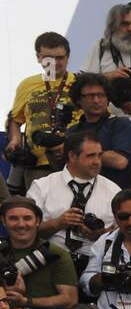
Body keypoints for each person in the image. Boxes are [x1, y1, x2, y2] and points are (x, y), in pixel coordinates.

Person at [28, 131, 119, 272]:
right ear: (72, 156)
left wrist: (102, 236)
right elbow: (26, 230)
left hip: (95, 265)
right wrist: (57, 223)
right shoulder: (42, 186)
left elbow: (124, 234)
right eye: (90, 156)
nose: (97, 161)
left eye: (100, 155)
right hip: (50, 263)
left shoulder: (114, 191)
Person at [6, 32, 80, 191]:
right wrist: (14, 140)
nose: (54, 63)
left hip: (74, 162)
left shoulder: (80, 83)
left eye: (60, 57)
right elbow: (15, 119)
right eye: (48, 58)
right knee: (38, 211)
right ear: (38, 57)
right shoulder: (26, 84)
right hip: (37, 165)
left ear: (68, 57)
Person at [0, 197, 78, 309]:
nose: (21, 224)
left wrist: (25, 301)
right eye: (13, 218)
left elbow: (70, 300)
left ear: (38, 221)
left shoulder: (56, 254)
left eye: (27, 218)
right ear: (3, 221)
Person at [69, 73, 131, 189]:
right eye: (90, 96)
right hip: (81, 194)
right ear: (78, 100)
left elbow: (120, 161)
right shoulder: (72, 131)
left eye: (101, 95)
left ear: (108, 98)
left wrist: (78, 154)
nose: (96, 100)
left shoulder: (121, 124)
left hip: (117, 196)